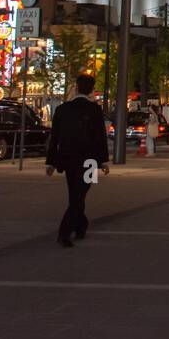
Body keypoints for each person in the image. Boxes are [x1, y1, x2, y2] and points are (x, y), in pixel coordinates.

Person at [45, 74, 109, 247]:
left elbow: (55, 138)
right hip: (90, 162)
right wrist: (103, 161)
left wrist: (50, 162)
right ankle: (65, 232)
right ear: (91, 90)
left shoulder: (62, 109)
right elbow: (100, 138)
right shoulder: (95, 110)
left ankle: (81, 225)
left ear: (76, 87)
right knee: (81, 194)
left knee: (75, 193)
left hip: (67, 159)